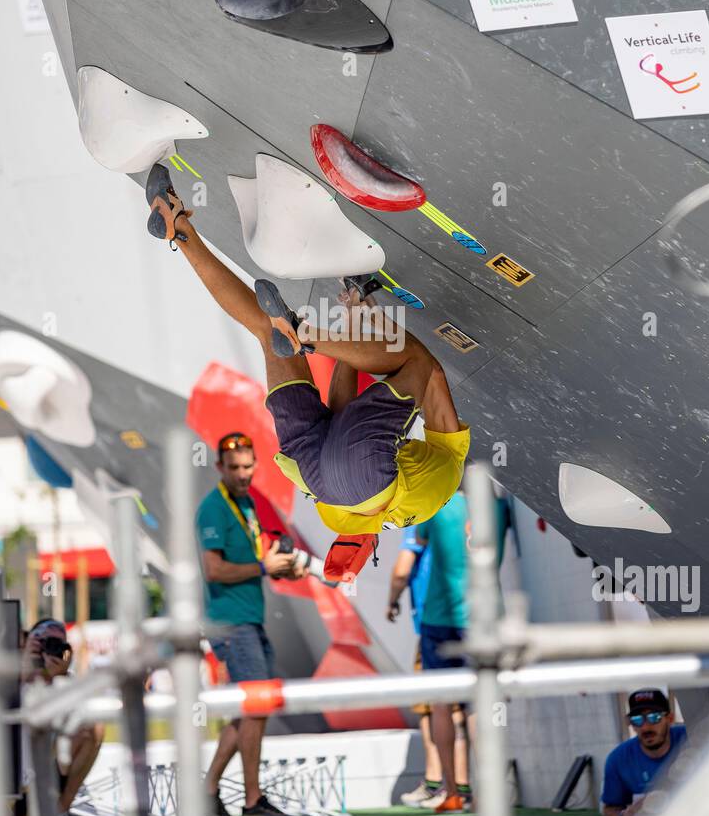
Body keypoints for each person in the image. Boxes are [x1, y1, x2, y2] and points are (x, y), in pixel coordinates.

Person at [146, 165, 470, 581]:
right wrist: (352, 320)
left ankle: (303, 334)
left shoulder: (445, 472)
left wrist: (356, 323)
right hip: (310, 469)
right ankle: (176, 227)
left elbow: (433, 376)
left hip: (365, 471)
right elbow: (342, 416)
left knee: (417, 365)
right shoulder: (337, 513)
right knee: (267, 332)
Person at [197, 430, 306, 816]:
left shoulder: (246, 503)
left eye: (247, 467)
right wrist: (264, 567)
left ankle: (208, 793)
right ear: (219, 468)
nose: (243, 475)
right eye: (235, 469)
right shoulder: (214, 508)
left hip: (248, 618)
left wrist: (284, 566)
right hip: (231, 623)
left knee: (250, 711)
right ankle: (252, 800)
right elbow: (214, 569)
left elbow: (261, 557)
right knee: (255, 707)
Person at [387, 524, 470, 808]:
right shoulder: (490, 509)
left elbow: (401, 569)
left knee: (433, 708)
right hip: (474, 620)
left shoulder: (427, 514)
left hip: (434, 622)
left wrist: (391, 601)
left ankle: (444, 785)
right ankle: (469, 786)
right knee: (470, 708)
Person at [14, 618, 105, 816]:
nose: (48, 649)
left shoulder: (64, 681)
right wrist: (24, 666)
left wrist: (57, 675)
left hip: (47, 786)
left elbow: (87, 720)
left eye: (56, 644)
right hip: (9, 793)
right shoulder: (8, 676)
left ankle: (58, 814)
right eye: (42, 642)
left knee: (93, 726)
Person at [415, 488, 471, 813]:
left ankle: (452, 790)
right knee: (479, 705)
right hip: (479, 616)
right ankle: (483, 789)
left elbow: (420, 541)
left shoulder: (434, 501)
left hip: (438, 615)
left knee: (440, 704)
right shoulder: (495, 506)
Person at [600, 689, 688, 816]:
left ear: (670, 719)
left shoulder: (692, 739)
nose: (646, 727)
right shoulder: (619, 759)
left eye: (654, 718)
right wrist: (625, 815)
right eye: (637, 720)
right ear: (630, 723)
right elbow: (610, 809)